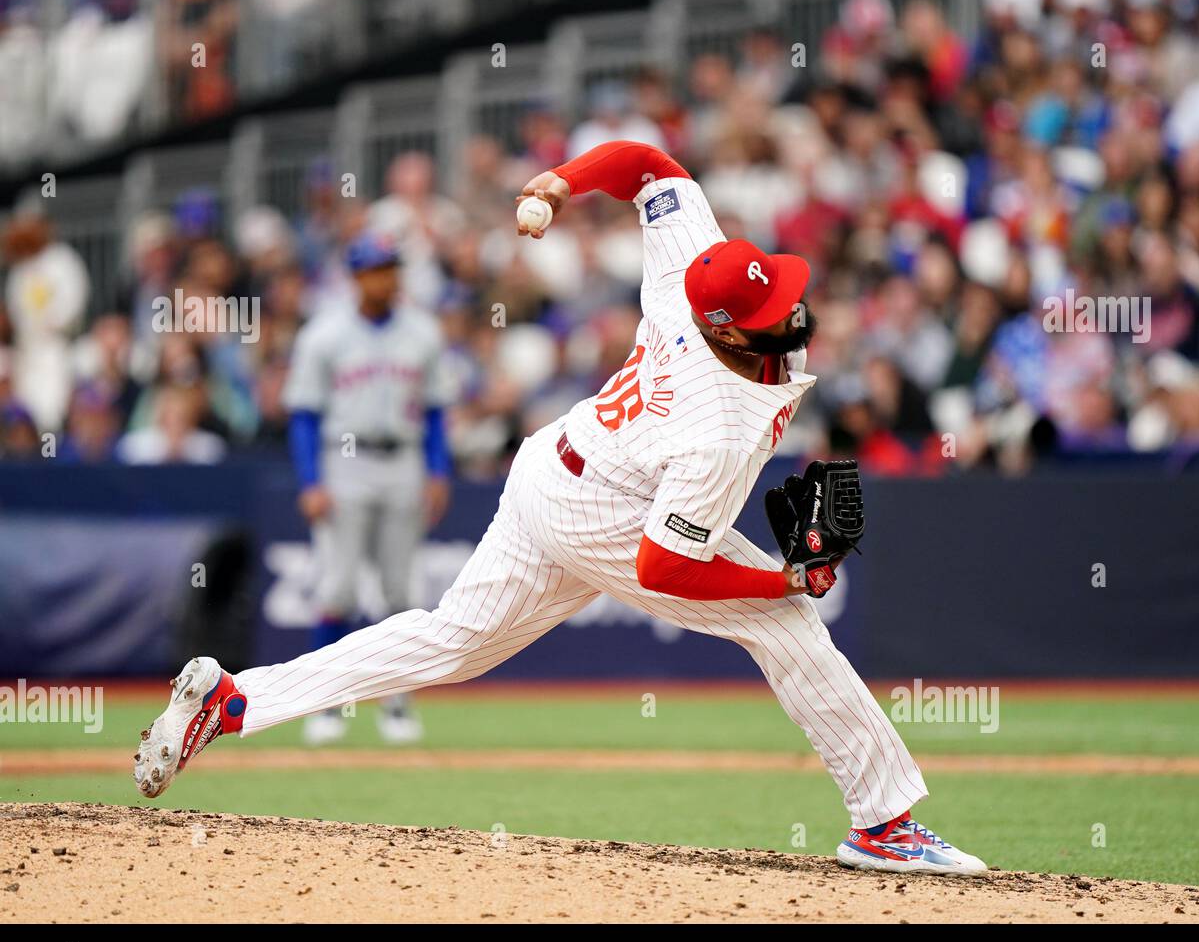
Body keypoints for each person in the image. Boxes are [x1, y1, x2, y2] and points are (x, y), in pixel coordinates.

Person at [134, 142, 986, 876]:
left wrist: (556, 181)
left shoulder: (698, 270)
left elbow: (649, 166)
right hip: (612, 514)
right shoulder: (717, 423)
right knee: (790, 623)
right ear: (726, 330)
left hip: (556, 467)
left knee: (451, 640)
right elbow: (664, 566)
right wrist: (789, 580)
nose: (790, 312)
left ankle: (234, 700)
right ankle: (885, 823)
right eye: (767, 314)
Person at [282, 231, 454, 744]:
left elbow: (437, 411)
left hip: (402, 459)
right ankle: (326, 705)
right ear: (356, 275)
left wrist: (438, 471)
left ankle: (396, 703)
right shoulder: (324, 334)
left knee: (401, 592)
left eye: (392, 267)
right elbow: (304, 416)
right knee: (337, 586)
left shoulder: (422, 332)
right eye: (377, 268)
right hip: (344, 460)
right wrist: (310, 480)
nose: (387, 277)